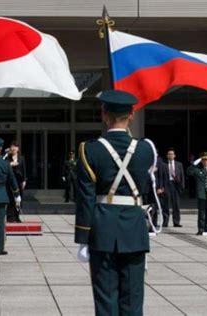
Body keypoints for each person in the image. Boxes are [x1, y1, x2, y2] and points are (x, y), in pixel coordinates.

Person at [75, 90, 155, 315]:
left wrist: (83, 238)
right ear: (131, 114)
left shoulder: (89, 149)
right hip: (134, 228)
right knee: (132, 299)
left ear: (104, 114)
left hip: (102, 229)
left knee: (105, 299)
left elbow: (85, 198)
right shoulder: (146, 149)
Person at [187, 152, 207, 235]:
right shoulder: (197, 169)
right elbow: (189, 172)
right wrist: (194, 163)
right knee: (202, 212)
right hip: (202, 194)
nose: (205, 161)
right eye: (203, 160)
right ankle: (201, 229)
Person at [5, 141, 27, 223]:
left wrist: (24, 180)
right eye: (12, 146)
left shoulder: (21, 158)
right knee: (10, 199)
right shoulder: (7, 158)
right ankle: (10, 216)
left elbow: (24, 170)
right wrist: (10, 164)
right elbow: (4, 166)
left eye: (15, 147)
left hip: (19, 181)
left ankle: (17, 216)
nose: (13, 148)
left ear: (18, 149)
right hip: (9, 181)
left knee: (18, 199)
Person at [164, 148, 185, 227]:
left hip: (175, 185)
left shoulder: (179, 164)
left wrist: (182, 186)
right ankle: (165, 222)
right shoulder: (164, 164)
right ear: (167, 155)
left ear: (175, 155)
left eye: (172, 154)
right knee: (166, 205)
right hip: (167, 185)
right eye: (169, 154)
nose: (170, 155)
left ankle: (176, 222)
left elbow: (182, 175)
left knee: (176, 205)